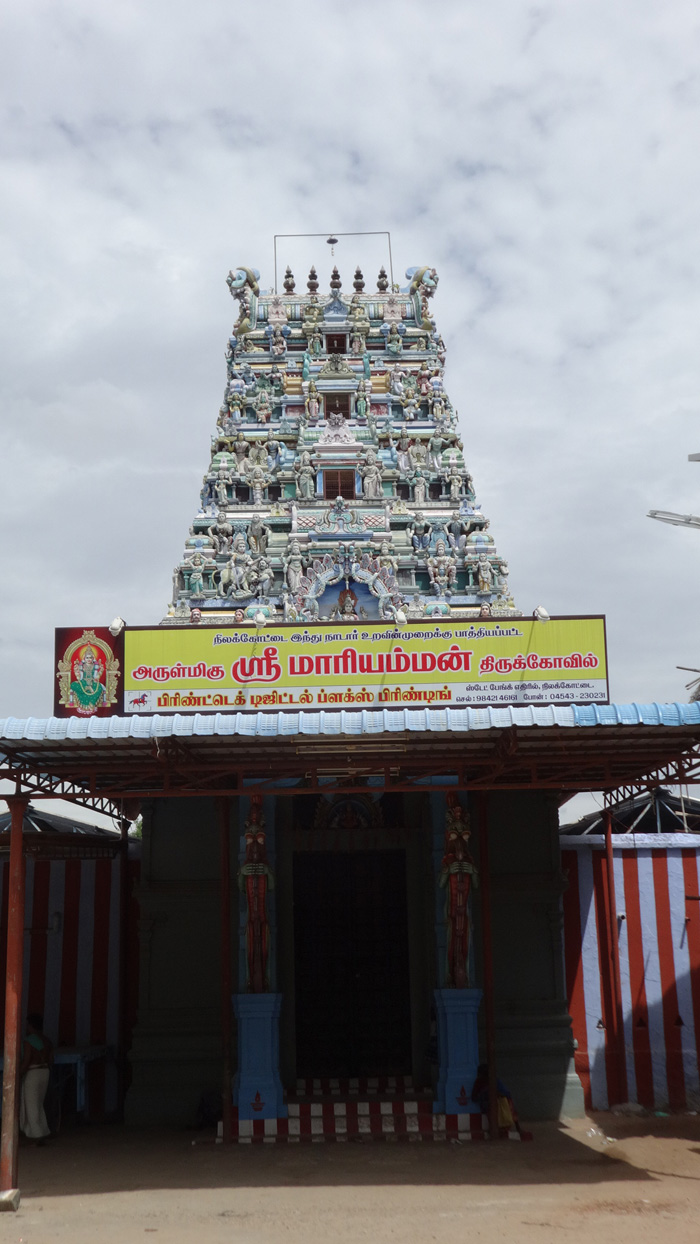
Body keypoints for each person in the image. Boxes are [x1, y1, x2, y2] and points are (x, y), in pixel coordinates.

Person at [20, 1013, 53, 1144]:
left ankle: (37, 1136)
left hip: (33, 1073)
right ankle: (43, 1131)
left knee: (31, 1105)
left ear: (31, 1026)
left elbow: (27, 1060)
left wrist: (18, 1074)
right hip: (45, 1071)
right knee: (39, 1103)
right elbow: (51, 1060)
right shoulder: (47, 1041)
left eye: (27, 1025)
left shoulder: (28, 1041)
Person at [470, 1063, 522, 1135]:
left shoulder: (494, 1080)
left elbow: (506, 1093)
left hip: (499, 1101)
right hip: (486, 1102)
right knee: (490, 1105)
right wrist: (486, 1093)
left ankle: (517, 1127)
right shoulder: (478, 1082)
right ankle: (494, 1128)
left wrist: (497, 1094)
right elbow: (474, 1097)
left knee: (508, 1101)